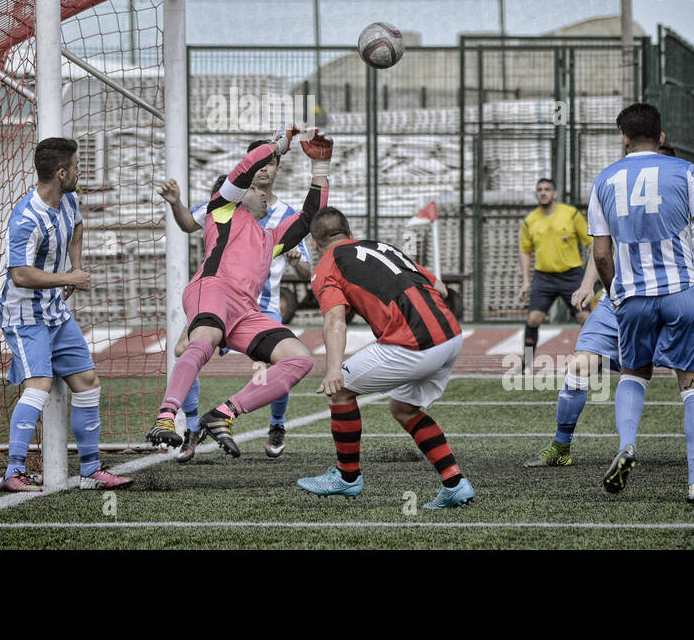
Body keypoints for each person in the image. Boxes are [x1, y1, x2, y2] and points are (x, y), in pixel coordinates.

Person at [523, 145, 694, 470]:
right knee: (579, 365)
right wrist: (589, 284)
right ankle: (561, 446)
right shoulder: (622, 197)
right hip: (623, 298)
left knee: (691, 376)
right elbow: (603, 249)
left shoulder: (684, 215)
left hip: (671, 296)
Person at [587, 103, 694, 503]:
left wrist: (616, 295)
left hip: (634, 297)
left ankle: (627, 445)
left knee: (632, 376)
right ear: (660, 136)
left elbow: (602, 255)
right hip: (682, 294)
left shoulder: (604, 180)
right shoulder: (685, 171)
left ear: (624, 138)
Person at [145, 127, 329, 457]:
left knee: (300, 359)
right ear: (237, 194)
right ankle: (166, 418)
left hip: (246, 313)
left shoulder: (271, 238)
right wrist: (280, 144)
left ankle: (224, 414)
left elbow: (311, 215)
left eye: (263, 189)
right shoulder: (223, 211)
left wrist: (320, 166)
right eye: (253, 188)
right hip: (211, 289)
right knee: (200, 342)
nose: (261, 192)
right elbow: (247, 166)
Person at [296, 207, 475, 509]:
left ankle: (347, 476)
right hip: (451, 336)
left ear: (315, 244)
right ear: (350, 234)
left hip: (415, 343)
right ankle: (455, 483)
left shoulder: (327, 265)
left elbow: (335, 320)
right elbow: (440, 288)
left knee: (340, 390)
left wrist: (333, 369)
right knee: (404, 408)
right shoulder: (380, 247)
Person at [0, 137, 133, 492]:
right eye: (75, 167)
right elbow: (21, 274)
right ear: (60, 173)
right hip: (25, 316)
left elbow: (77, 228)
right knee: (39, 387)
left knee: (87, 383)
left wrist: (75, 266)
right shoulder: (27, 218)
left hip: (56, 313)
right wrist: (67, 278)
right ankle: (14, 472)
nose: (79, 172)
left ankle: (91, 469)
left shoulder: (70, 200)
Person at [518, 178, 593, 370]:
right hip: (544, 277)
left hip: (572, 276)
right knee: (534, 319)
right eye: (539, 189)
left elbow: (591, 242)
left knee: (585, 318)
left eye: (547, 189)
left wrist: (593, 276)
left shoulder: (571, 214)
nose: (543, 193)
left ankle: (594, 361)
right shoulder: (530, 220)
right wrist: (526, 281)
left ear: (555, 194)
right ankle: (526, 362)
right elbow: (525, 251)